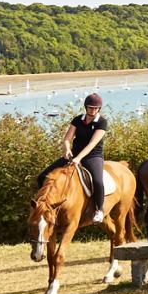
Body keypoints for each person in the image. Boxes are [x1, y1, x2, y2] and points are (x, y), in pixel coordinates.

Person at [61, 93, 109, 225]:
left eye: (96, 108)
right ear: (85, 107)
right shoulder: (77, 120)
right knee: (43, 176)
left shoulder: (102, 122)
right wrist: (67, 149)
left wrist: (79, 158)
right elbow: (67, 139)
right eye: (90, 107)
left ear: (99, 109)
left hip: (93, 156)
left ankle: (99, 210)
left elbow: (92, 144)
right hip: (73, 155)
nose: (93, 110)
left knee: (98, 181)